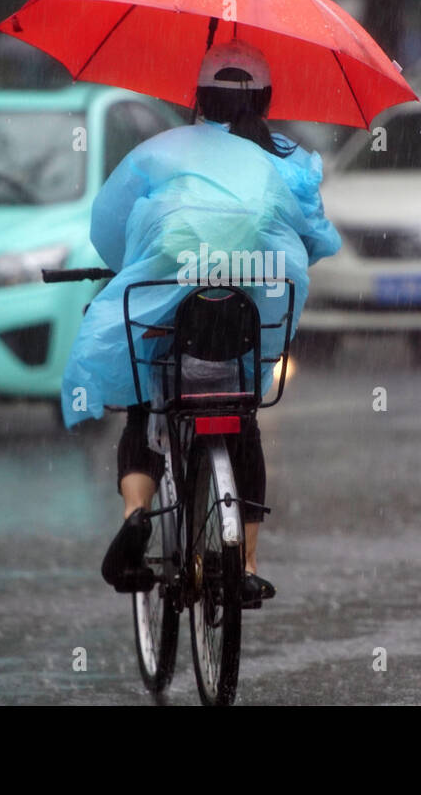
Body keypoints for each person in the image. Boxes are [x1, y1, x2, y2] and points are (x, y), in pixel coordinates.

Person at [60, 38, 341, 605]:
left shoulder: (161, 148)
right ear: (265, 99)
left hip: (167, 298)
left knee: (146, 401)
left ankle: (138, 511)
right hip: (248, 312)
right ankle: (248, 561)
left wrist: (134, 260)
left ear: (199, 96)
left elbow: (110, 225)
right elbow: (316, 240)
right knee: (244, 418)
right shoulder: (287, 161)